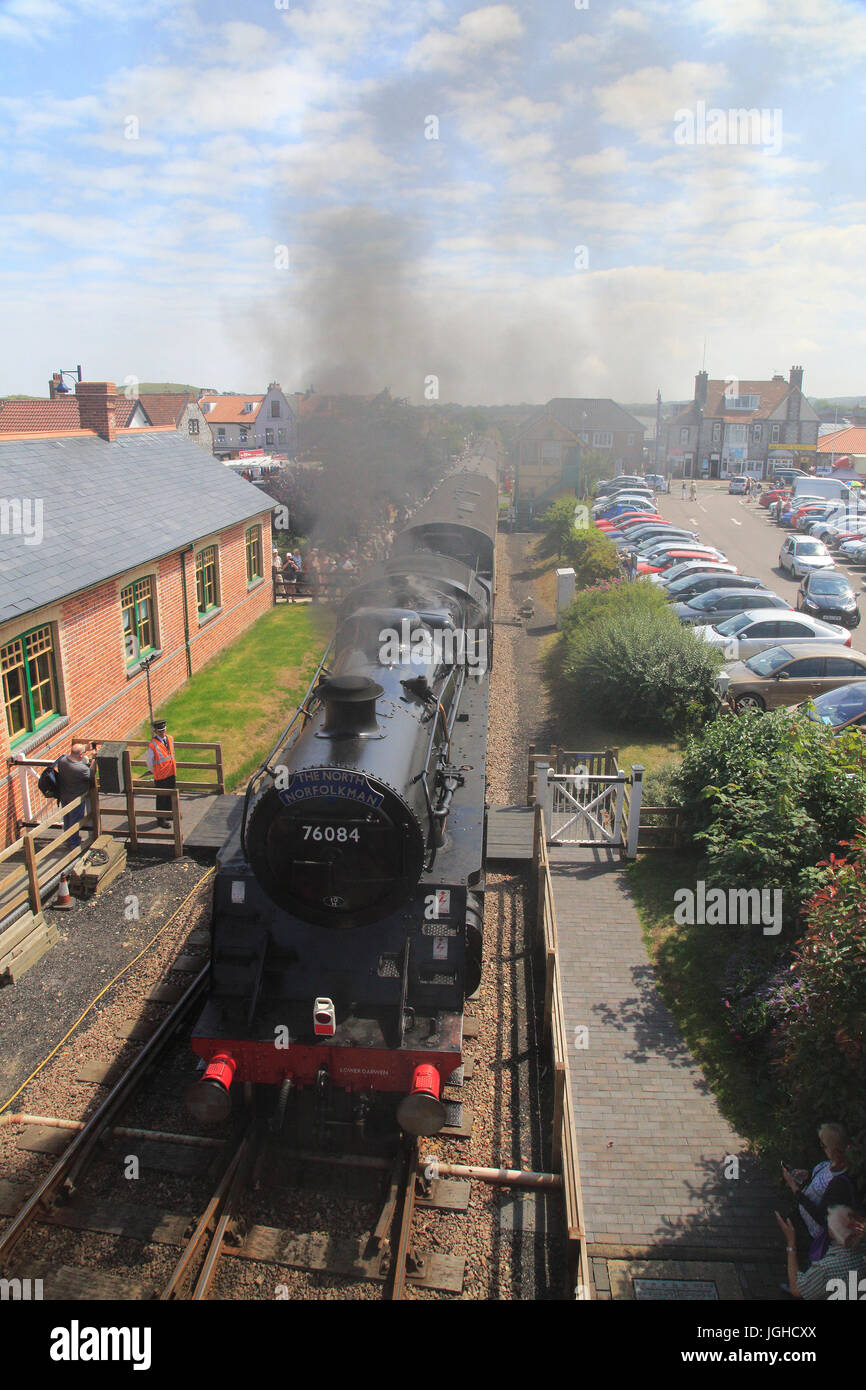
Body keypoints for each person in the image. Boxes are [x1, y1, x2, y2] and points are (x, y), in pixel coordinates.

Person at [781, 1122, 858, 1263]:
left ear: (835, 1151)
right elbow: (819, 1181)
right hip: (802, 1219)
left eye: (824, 1146)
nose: (822, 1149)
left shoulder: (839, 1183)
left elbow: (821, 1216)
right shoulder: (830, 1164)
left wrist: (795, 1189)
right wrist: (808, 1175)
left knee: (800, 1262)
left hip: (812, 1235)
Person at [775, 1206, 866, 1300]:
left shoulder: (826, 1268)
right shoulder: (862, 1249)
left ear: (832, 1231)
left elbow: (797, 1290)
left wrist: (791, 1243)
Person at [54, 741, 97, 849]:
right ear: (81, 755)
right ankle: (74, 843)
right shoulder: (80, 769)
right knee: (75, 821)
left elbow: (70, 756)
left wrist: (85, 748)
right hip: (76, 797)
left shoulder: (63, 761)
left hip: (65, 795)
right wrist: (95, 759)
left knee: (67, 819)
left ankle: (68, 840)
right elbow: (91, 774)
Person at [146, 720, 176, 830]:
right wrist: (155, 771)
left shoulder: (170, 738)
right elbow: (149, 761)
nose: (162, 733)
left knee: (170, 794)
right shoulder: (153, 744)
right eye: (159, 731)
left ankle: (169, 814)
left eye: (163, 730)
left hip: (171, 772)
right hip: (160, 775)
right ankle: (161, 819)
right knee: (161, 797)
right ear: (155, 732)